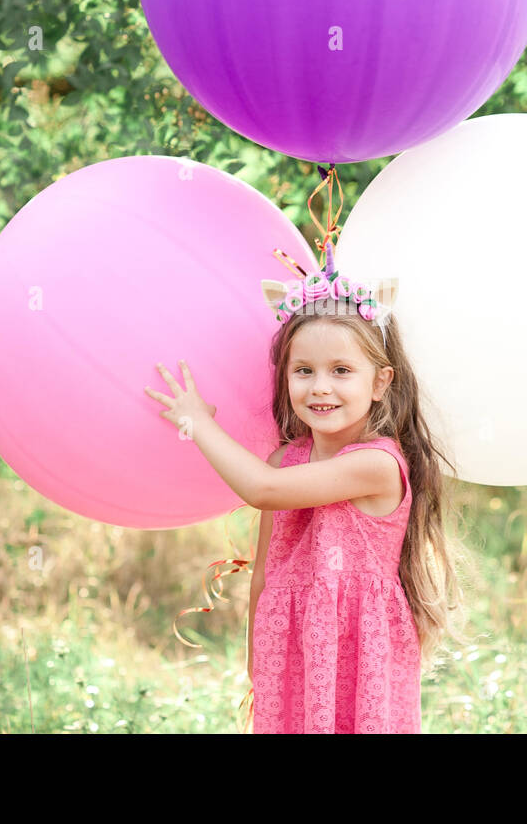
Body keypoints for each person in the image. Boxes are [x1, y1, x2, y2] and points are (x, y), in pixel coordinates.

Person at [144, 241, 476, 733]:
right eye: (304, 371)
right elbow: (265, 571)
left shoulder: (377, 463)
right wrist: (259, 659)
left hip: (356, 647)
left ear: (381, 382)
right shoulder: (287, 459)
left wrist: (199, 425)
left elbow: (262, 490)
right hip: (291, 645)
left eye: (341, 371)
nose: (320, 387)